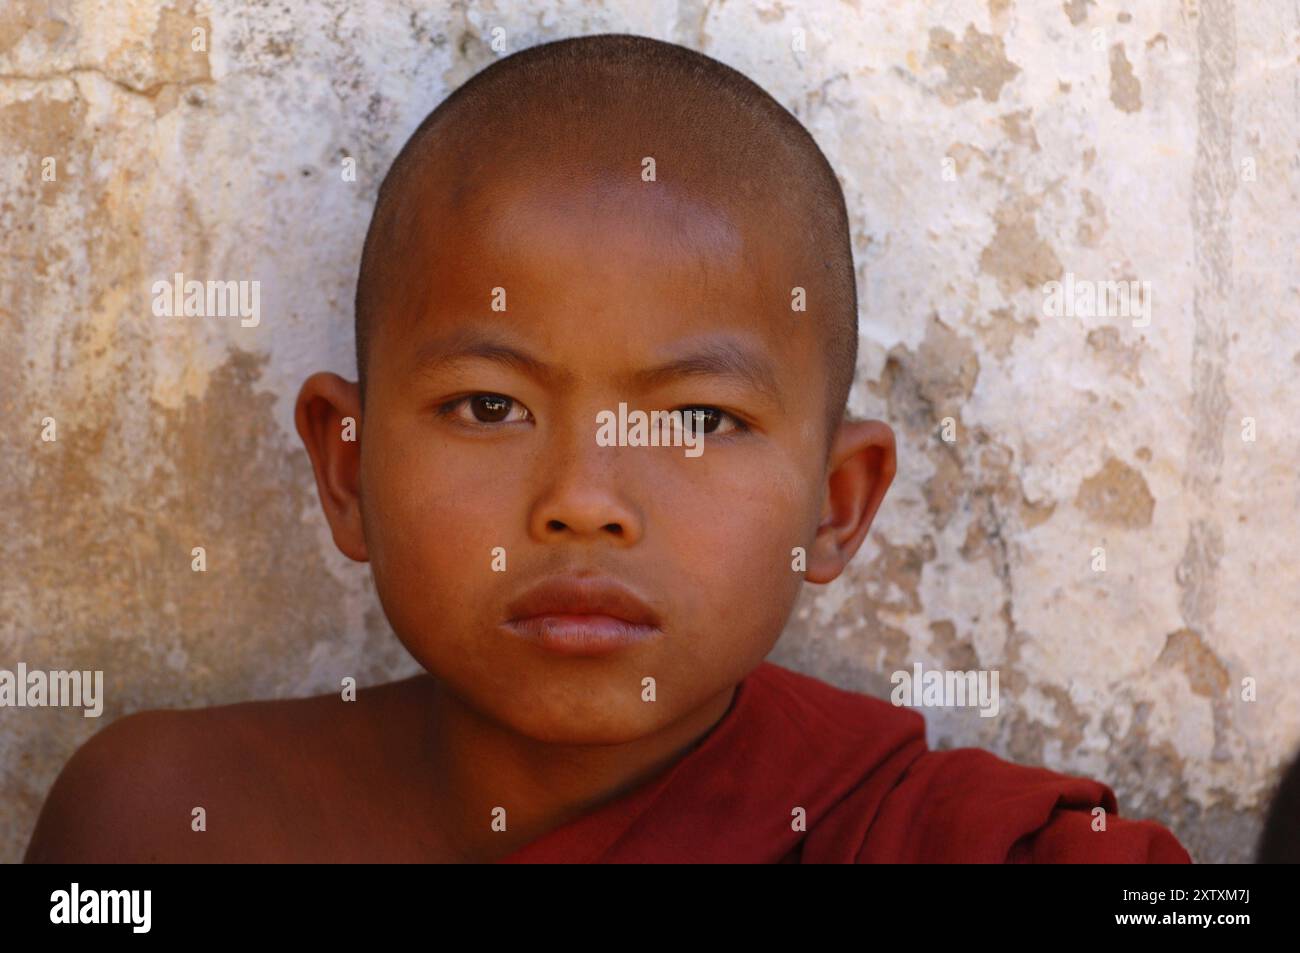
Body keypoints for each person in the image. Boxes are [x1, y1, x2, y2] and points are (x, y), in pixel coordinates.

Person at [24, 33, 1190, 863]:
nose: (583, 500)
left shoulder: (976, 850)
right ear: (346, 468)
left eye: (695, 419)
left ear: (837, 504)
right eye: (490, 406)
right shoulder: (170, 822)